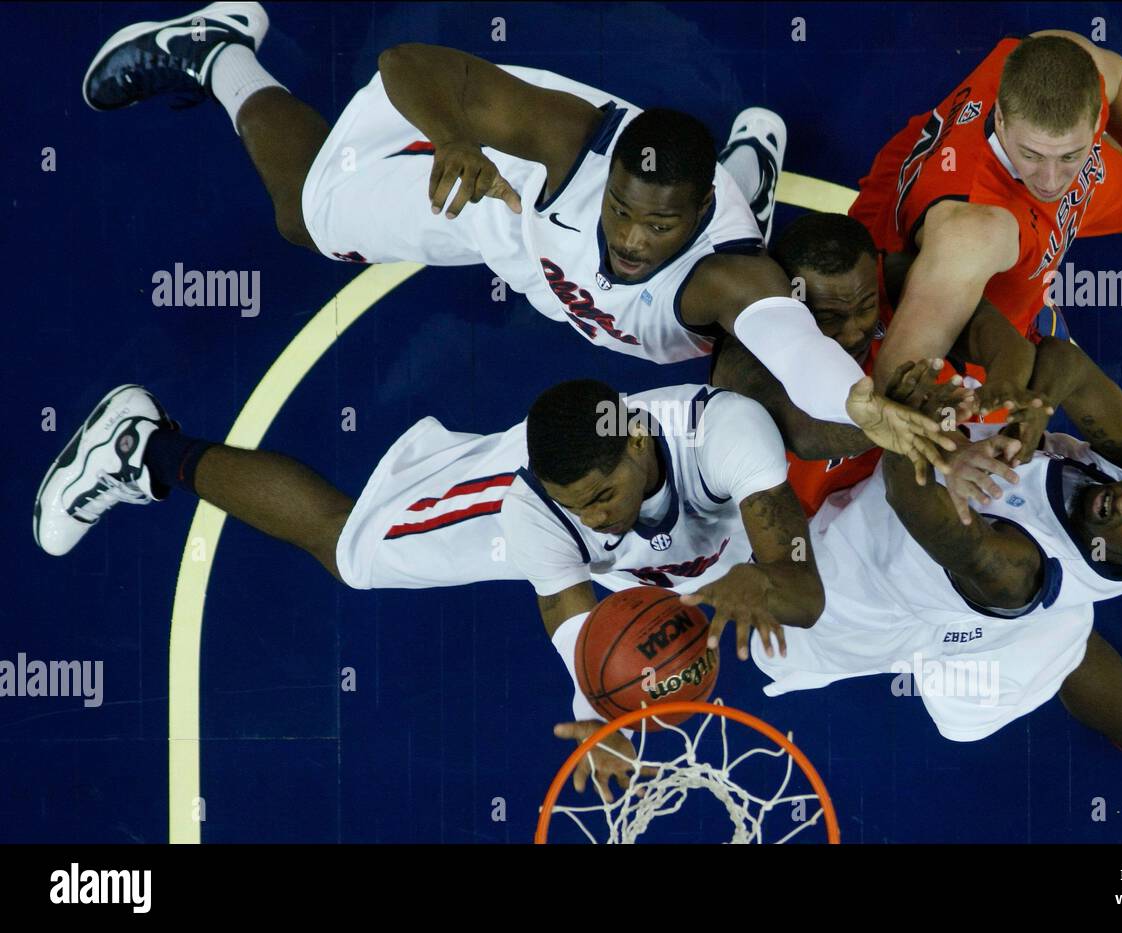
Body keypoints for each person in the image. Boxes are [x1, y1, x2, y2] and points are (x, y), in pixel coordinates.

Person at [81, 1, 950, 471]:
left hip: (567, 261)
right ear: (610, 181)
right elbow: (406, 65)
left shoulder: (722, 277)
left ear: (695, 220)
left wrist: (867, 405)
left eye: (660, 224)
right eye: (624, 210)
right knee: (303, 217)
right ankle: (217, 51)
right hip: (494, 190)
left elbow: (789, 343)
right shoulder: (566, 139)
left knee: (739, 341)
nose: (635, 238)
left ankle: (748, 166)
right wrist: (458, 140)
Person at [34, 377, 823, 792]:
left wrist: (762, 573)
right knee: (351, 551)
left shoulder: (723, 436)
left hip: (676, 523)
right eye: (582, 509)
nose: (600, 522)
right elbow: (563, 598)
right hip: (509, 491)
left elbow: (804, 592)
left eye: (604, 499)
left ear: (639, 451)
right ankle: (144, 449)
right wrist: (600, 705)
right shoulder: (542, 504)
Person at [751, 339, 1122, 828]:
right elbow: (1063, 361)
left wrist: (911, 415)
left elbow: (916, 505)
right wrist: (1040, 405)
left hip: (849, 601)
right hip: (921, 552)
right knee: (1065, 632)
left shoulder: (1019, 574)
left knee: (741, 563)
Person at [849, 30, 1122, 387]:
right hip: (957, 241)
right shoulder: (969, 233)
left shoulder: (1055, 56)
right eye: (1032, 154)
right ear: (1002, 121)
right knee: (997, 399)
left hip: (1007, 203)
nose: (1050, 182)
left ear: (1098, 114)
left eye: (1069, 155)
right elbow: (898, 373)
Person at [712, 212, 1049, 517]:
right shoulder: (744, 349)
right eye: (829, 317)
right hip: (816, 528)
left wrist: (1007, 385)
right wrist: (922, 424)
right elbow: (807, 435)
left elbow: (998, 339)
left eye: (866, 307)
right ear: (787, 298)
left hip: (912, 483)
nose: (855, 330)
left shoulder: (893, 279)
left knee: (1057, 361)